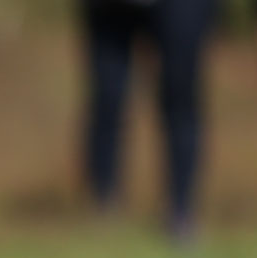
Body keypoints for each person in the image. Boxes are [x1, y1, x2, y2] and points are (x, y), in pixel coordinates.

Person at [81, 0, 222, 241]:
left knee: (181, 94)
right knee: (108, 95)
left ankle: (181, 209)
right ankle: (105, 205)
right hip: (109, 8)